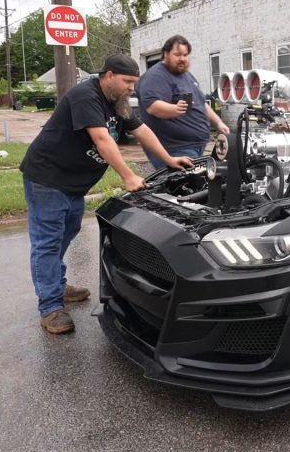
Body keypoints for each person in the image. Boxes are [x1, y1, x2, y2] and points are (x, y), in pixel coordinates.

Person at [19, 54, 194, 334]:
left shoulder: (119, 102)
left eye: (134, 83)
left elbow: (142, 130)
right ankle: (50, 307)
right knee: (48, 243)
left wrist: (169, 158)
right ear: (108, 75)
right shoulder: (85, 96)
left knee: (67, 232)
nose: (131, 88)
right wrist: (128, 175)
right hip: (48, 178)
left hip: (74, 183)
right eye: (127, 81)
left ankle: (56, 284)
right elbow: (102, 139)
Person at [136, 35, 230, 168]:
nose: (182, 59)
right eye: (177, 54)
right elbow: (153, 107)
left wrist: (219, 122)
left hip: (196, 146)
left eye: (186, 55)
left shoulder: (187, 76)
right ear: (165, 54)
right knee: (182, 187)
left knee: (196, 186)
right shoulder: (156, 76)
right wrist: (175, 109)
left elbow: (201, 103)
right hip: (174, 149)